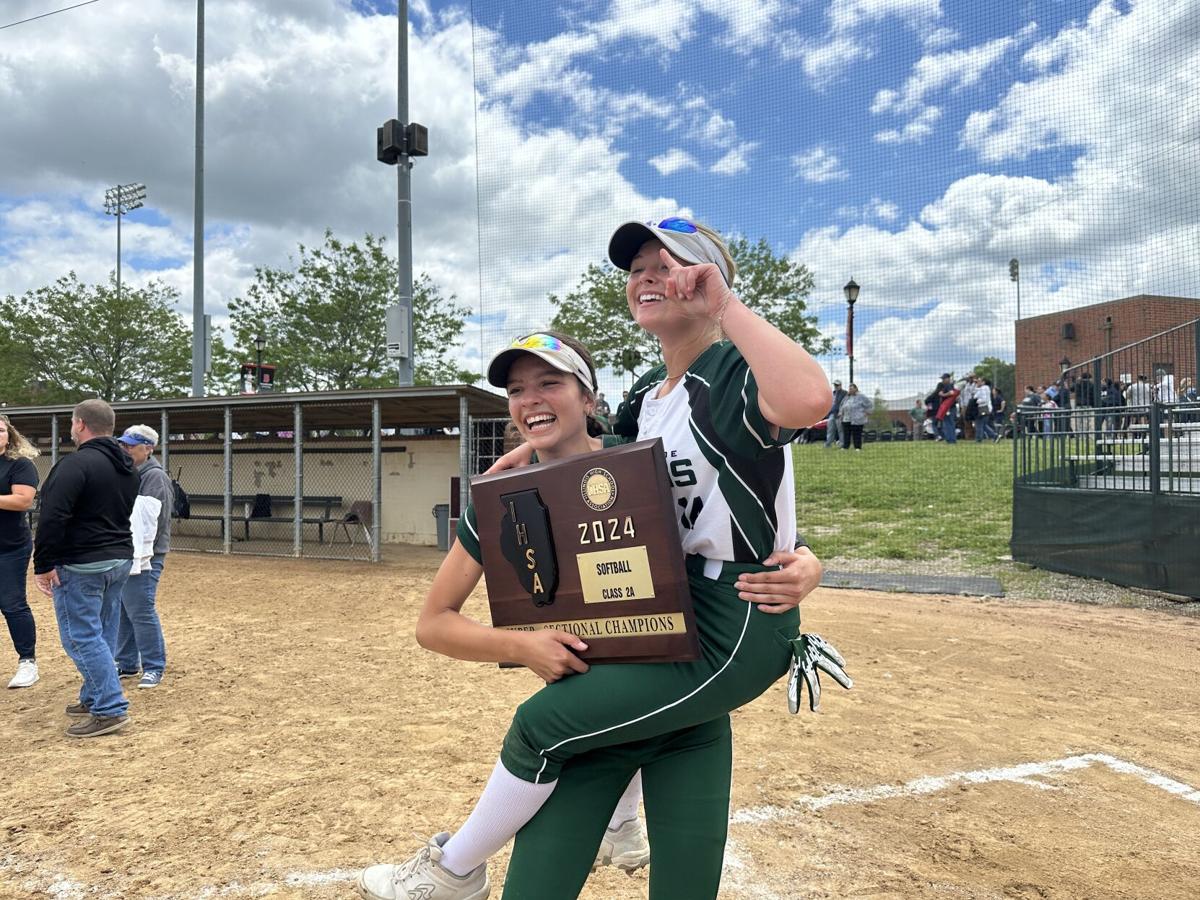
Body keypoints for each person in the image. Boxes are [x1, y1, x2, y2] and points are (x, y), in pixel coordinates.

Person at [359, 215, 834, 900]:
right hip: (669, 609)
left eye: (668, 264)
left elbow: (808, 401)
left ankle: (454, 869)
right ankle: (620, 820)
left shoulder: (732, 368)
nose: (648, 277)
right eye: (637, 269)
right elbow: (600, 469)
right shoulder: (647, 396)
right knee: (636, 747)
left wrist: (724, 306)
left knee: (543, 724)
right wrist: (531, 450)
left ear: (707, 277)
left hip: (734, 615)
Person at [33, 399, 138, 738]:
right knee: (103, 631)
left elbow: (52, 516)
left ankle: (110, 707)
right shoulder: (128, 466)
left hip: (82, 563)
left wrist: (43, 563)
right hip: (119, 558)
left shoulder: (75, 464)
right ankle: (93, 695)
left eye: (72, 423)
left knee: (80, 637)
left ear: (80, 424)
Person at [114, 425, 172, 689]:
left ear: (148, 448)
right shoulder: (129, 473)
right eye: (123, 444)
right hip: (128, 550)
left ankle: (154, 665)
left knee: (140, 609)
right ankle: (127, 662)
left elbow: (153, 521)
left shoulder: (154, 476)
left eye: (130, 445)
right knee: (125, 608)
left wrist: (142, 553)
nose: (124, 449)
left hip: (146, 554)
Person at [0, 414, 41, 689]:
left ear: (9, 436)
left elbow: (23, 500)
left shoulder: (19, 465)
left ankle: (28, 661)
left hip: (9, 547)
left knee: (12, 603)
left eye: (1, 430)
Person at [838, 383, 871, 451]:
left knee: (857, 434)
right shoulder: (847, 397)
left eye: (851, 388)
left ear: (856, 389)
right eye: (849, 389)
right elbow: (842, 405)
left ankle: (857, 447)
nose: (850, 390)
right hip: (846, 418)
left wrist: (867, 413)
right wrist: (841, 413)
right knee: (846, 433)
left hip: (857, 419)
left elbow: (869, 404)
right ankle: (845, 447)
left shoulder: (861, 396)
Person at [935, 374, 959, 444]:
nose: (942, 380)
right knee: (949, 423)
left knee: (948, 424)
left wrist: (942, 394)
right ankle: (950, 439)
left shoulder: (948, 385)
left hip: (948, 408)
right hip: (950, 407)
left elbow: (951, 393)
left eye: (944, 379)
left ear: (948, 378)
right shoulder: (949, 385)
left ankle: (951, 440)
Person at [823, 380, 846, 448]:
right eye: (835, 385)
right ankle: (828, 443)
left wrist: (842, 412)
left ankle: (842, 443)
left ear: (840, 385)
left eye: (837, 385)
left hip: (840, 414)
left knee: (840, 430)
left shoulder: (844, 393)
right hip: (832, 414)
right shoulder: (833, 393)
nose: (836, 386)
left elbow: (845, 403)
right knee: (830, 429)